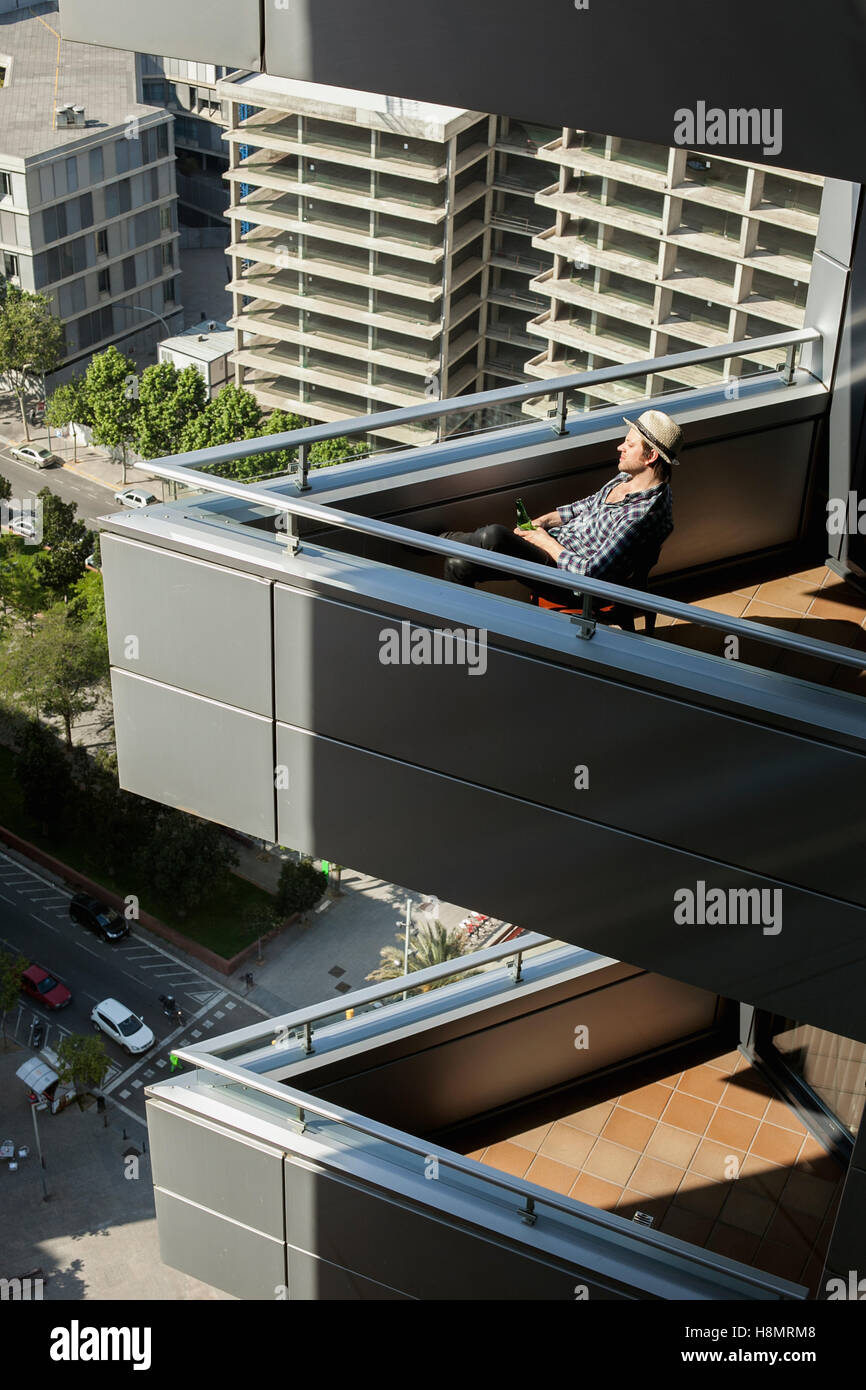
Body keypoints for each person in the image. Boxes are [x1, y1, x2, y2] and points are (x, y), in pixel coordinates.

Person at [441, 410, 682, 602]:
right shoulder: (628, 478)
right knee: (457, 566)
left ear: (650, 457)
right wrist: (542, 522)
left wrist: (544, 541)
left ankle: (436, 540)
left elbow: (589, 574)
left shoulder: (639, 518)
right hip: (553, 548)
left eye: (629, 445)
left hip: (567, 580)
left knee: (494, 536)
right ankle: (461, 637)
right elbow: (585, 506)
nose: (620, 448)